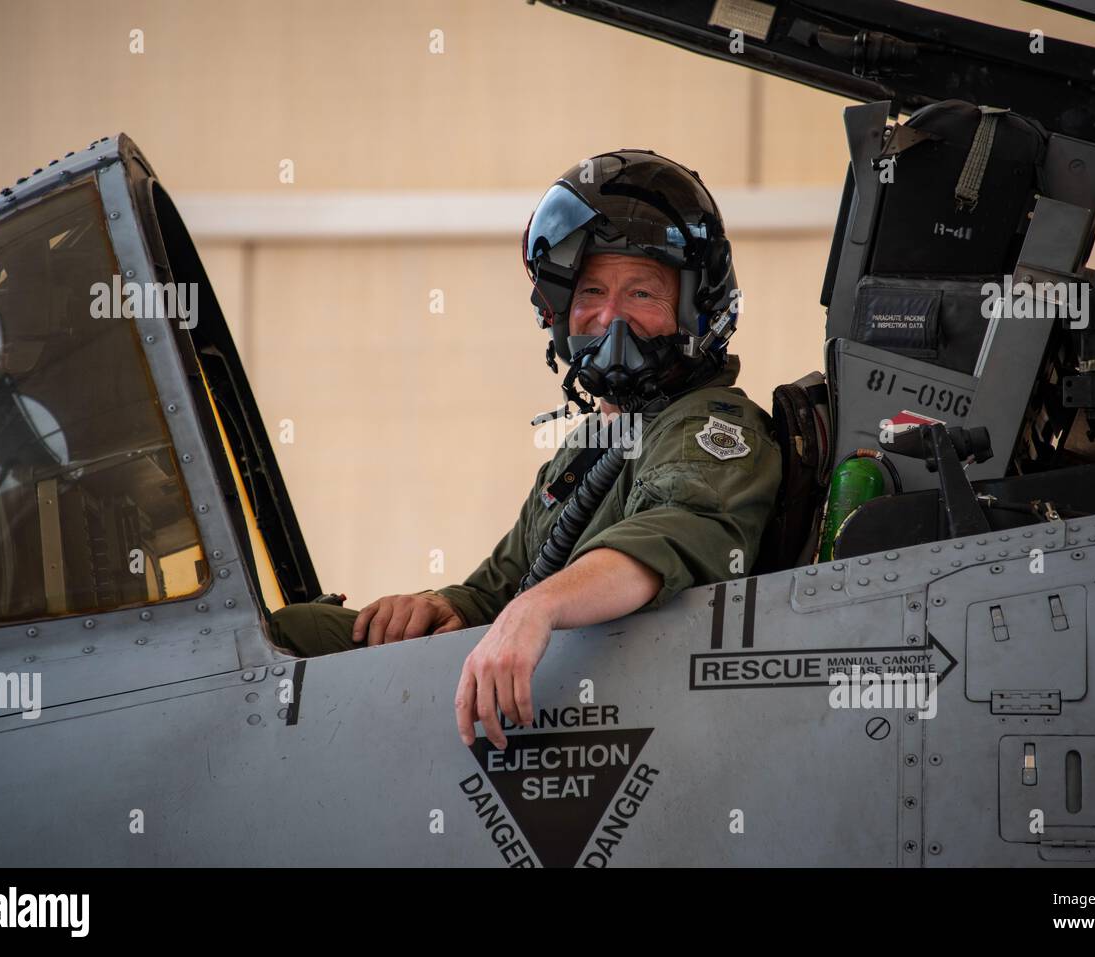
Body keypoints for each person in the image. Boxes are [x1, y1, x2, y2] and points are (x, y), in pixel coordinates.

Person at [268, 149, 782, 747]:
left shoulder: (713, 427)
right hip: (567, 690)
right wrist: (441, 606)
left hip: (623, 711)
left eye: (642, 293)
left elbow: (671, 537)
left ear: (696, 308)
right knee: (298, 632)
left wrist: (535, 612)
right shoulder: (592, 444)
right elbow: (500, 585)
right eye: (591, 290)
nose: (609, 318)